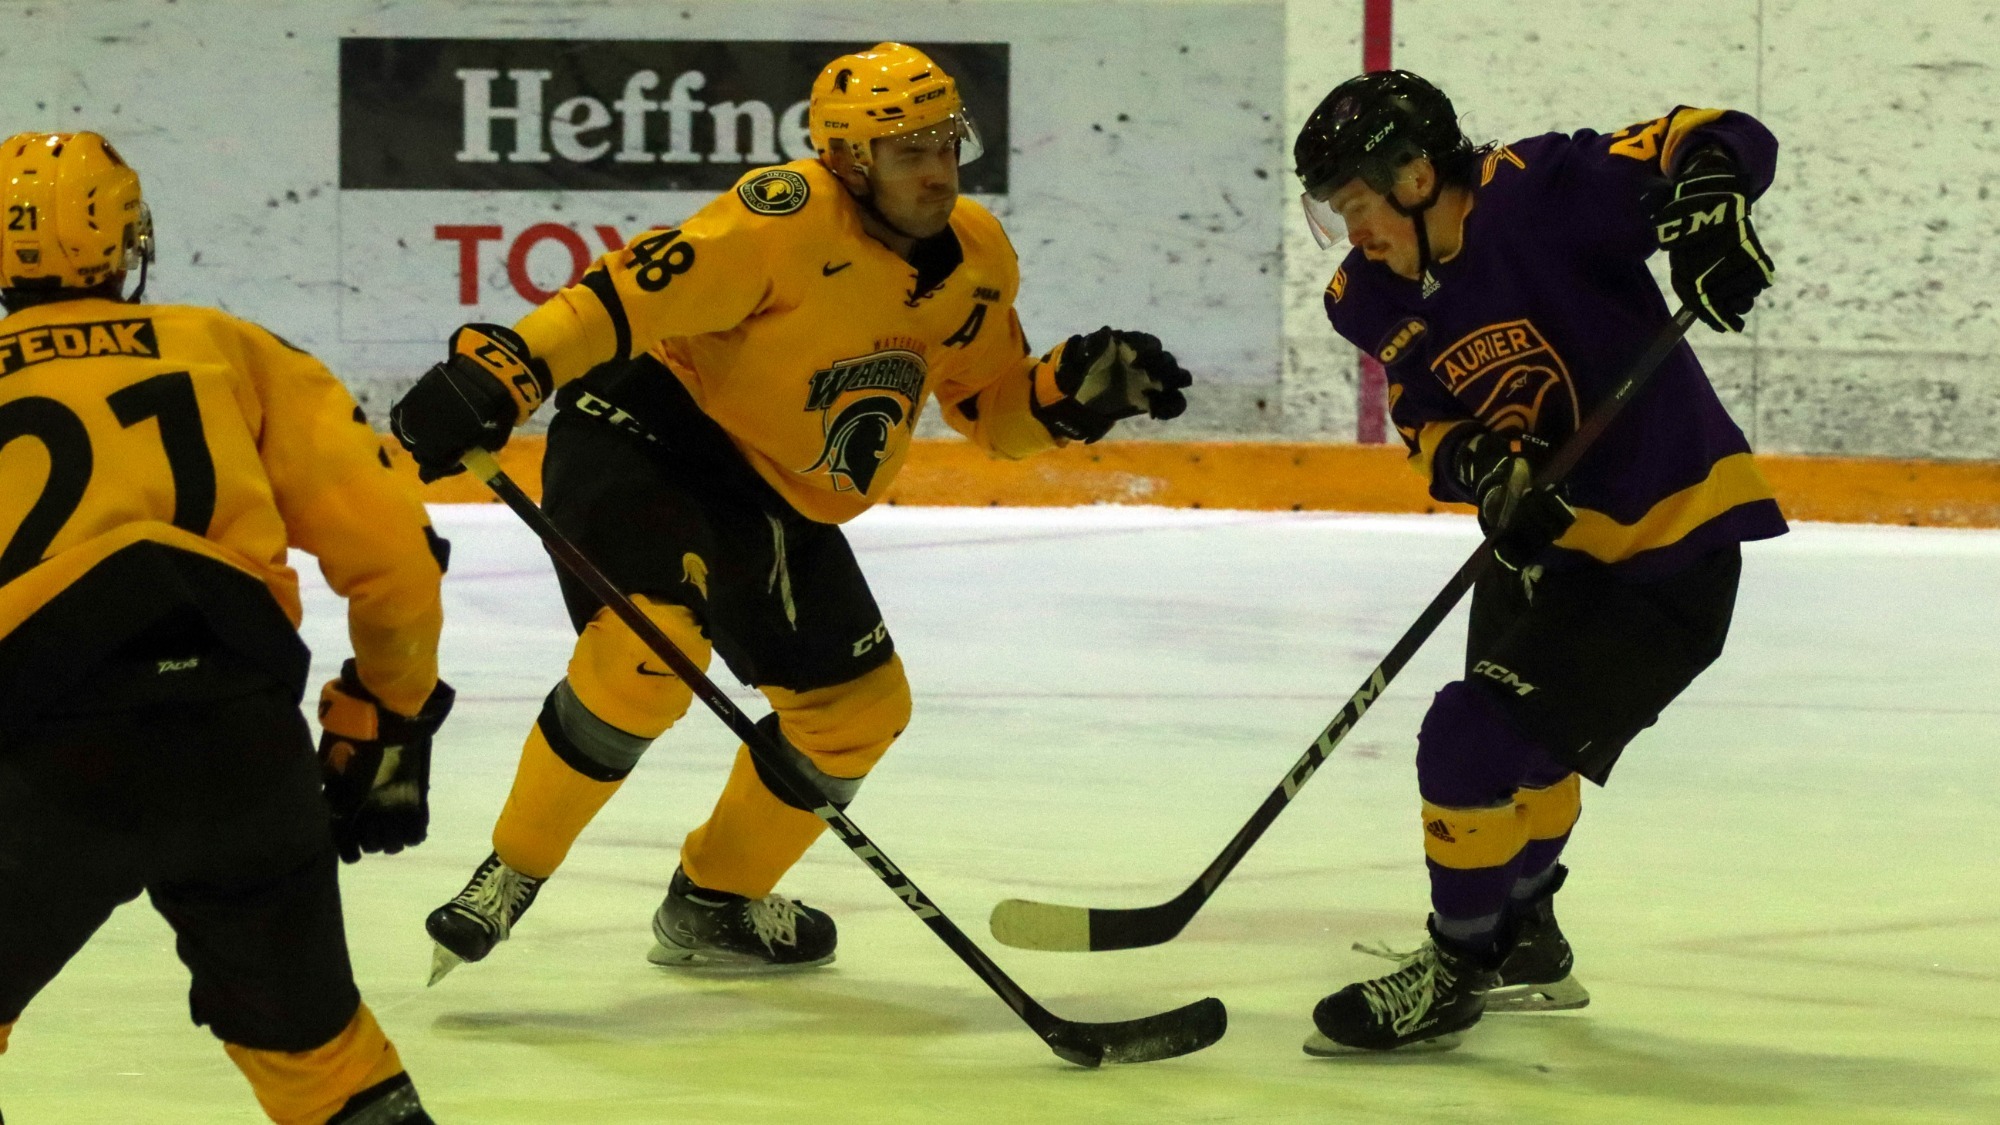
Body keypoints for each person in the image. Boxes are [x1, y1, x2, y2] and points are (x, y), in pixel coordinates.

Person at [389, 43, 1192, 980]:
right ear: (849, 160)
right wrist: (505, 370)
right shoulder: (784, 219)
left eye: (946, 143)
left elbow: (991, 412)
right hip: (651, 437)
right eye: (907, 152)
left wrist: (1069, 397)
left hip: (776, 495)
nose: (937, 170)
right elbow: (617, 299)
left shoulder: (976, 256)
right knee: (652, 647)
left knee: (858, 712)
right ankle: (511, 872)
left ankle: (716, 898)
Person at [1290, 72, 1788, 1053]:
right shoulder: (1368, 293)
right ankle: (1519, 935)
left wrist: (1709, 206)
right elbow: (1426, 415)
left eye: (1355, 205)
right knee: (1524, 752)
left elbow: (1714, 135)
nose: (1351, 233)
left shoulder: (1544, 194)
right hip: (1544, 547)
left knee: (1467, 736)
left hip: (1667, 552)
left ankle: (1457, 963)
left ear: (1415, 173)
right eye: (1334, 213)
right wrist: (1481, 469)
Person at [0, 132, 453, 1123]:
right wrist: (383, 717)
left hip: (37, 762)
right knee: (320, 1053)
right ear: (130, 243)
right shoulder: (228, 346)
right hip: (241, 748)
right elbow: (395, 553)